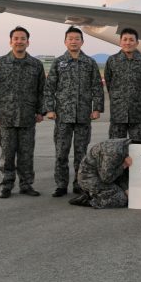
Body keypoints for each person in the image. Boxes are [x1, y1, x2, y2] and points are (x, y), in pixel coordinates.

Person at [43, 26, 104, 197]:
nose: (74, 41)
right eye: (70, 38)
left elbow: (96, 87)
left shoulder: (89, 62)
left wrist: (97, 108)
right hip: (62, 116)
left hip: (84, 115)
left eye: (77, 38)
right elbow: (49, 88)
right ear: (65, 41)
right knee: (61, 152)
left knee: (81, 153)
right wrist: (49, 109)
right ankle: (61, 185)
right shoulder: (59, 62)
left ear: (82, 42)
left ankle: (79, 184)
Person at [0, 26, 45, 199]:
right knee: (7, 154)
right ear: (11, 41)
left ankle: (26, 185)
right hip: (7, 116)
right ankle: (6, 185)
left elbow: (41, 90)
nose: (19, 41)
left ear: (28, 42)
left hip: (28, 116)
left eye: (23, 38)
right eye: (16, 38)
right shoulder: (0, 62)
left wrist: (40, 111)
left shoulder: (35, 64)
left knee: (27, 153)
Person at [104, 27, 141, 143]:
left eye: (131, 40)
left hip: (138, 113)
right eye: (125, 39)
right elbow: (109, 82)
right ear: (120, 42)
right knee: (115, 148)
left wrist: (139, 97)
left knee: (139, 146)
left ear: (137, 43)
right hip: (118, 113)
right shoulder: (112, 60)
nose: (128, 42)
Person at [68, 138, 133, 209]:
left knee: (126, 194)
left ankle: (92, 195)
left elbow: (119, 174)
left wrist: (126, 190)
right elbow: (106, 178)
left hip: (101, 174)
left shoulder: (125, 146)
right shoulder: (113, 152)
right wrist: (124, 165)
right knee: (121, 199)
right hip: (88, 178)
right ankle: (90, 200)